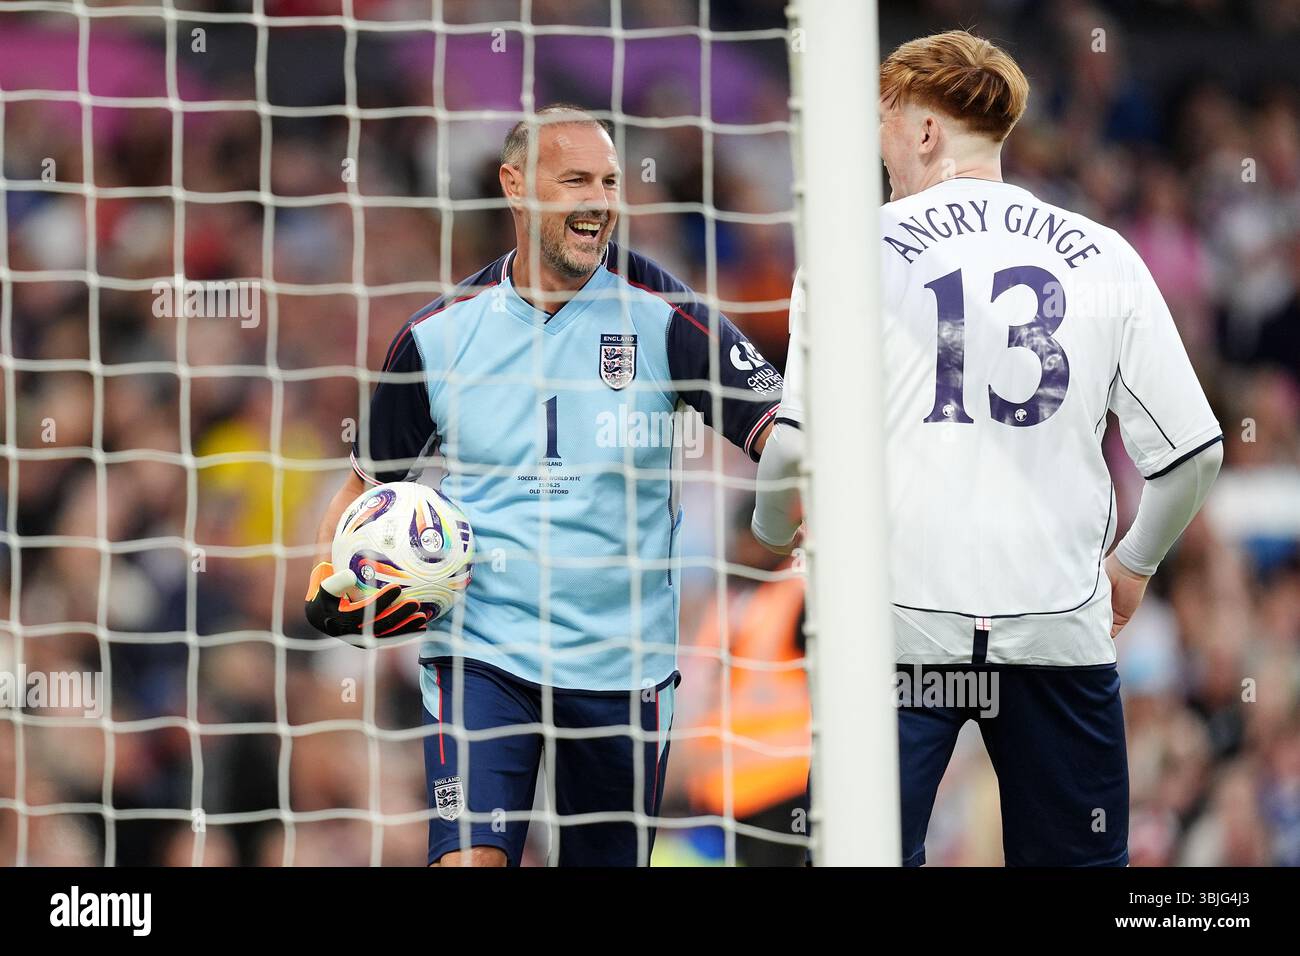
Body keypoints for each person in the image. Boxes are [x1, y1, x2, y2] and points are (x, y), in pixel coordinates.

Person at [753, 31, 1223, 866]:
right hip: (1057, 634)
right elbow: (1192, 456)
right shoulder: (1103, 253)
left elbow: (791, 452)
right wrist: (1136, 567)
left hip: (900, 635)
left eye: (887, 127)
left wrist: (771, 528)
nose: (884, 152)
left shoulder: (852, 248)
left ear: (927, 131)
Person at [305, 104, 782, 866]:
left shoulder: (668, 319)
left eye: (609, 182)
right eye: (575, 181)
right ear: (516, 186)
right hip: (484, 657)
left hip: (622, 668)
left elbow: (783, 437)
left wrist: (797, 519)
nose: (598, 201)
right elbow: (365, 487)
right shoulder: (437, 336)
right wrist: (332, 582)